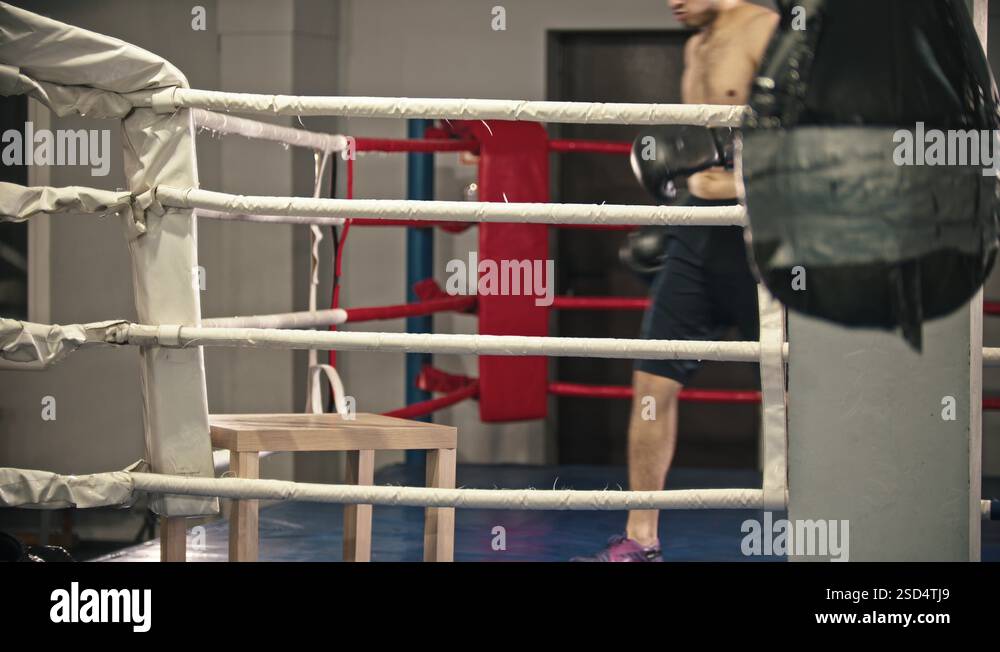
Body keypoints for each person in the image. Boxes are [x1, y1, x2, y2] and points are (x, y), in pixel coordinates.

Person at [573, 0, 778, 562]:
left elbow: (805, 129)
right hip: (696, 229)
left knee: (801, 388)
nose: (670, 2)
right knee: (652, 381)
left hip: (760, 227)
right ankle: (642, 540)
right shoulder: (694, 45)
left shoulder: (770, 31)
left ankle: (836, 532)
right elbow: (702, 144)